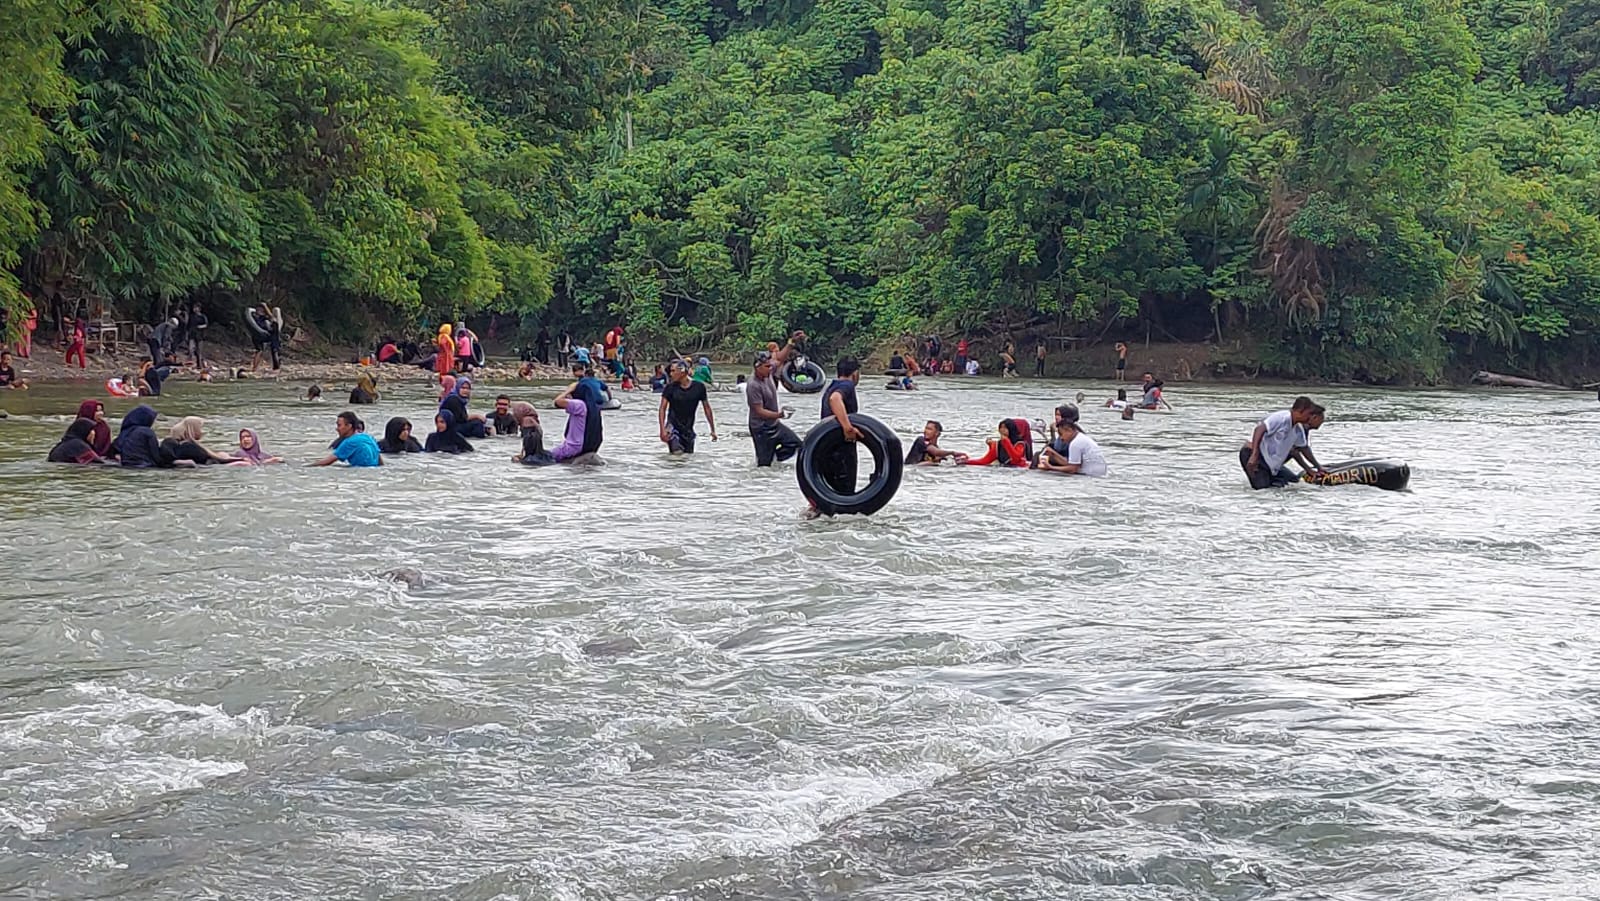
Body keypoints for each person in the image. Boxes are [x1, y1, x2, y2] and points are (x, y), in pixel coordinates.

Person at [1240, 396, 1326, 489]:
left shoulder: (1298, 429)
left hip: (1270, 463)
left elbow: (1304, 449)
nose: (1310, 417)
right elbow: (1259, 429)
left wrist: (1317, 467)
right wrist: (1254, 455)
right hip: (1255, 457)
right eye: (1309, 414)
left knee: (1294, 481)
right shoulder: (1282, 417)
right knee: (1263, 491)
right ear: (1300, 411)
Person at [746, 351, 802, 467]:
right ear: (757, 367)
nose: (770, 368)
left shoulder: (769, 373)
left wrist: (791, 343)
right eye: (766, 366)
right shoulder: (753, 385)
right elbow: (759, 411)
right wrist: (780, 415)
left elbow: (780, 359)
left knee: (796, 444)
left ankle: (774, 459)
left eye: (770, 366)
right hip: (761, 428)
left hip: (774, 424)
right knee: (764, 466)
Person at [658, 359, 718, 455]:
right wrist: (662, 430)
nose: (671, 374)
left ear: (682, 372)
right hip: (672, 428)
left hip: (688, 430)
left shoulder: (699, 387)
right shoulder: (670, 388)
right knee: (677, 455)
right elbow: (662, 409)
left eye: (673, 371)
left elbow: (707, 408)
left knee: (687, 458)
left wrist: (712, 430)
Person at [551, 382, 604, 463]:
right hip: (590, 447)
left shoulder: (579, 405)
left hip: (573, 447)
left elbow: (557, 402)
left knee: (543, 457)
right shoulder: (595, 407)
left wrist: (568, 391)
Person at [1037, 419, 1107, 476]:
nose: (1061, 438)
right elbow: (1071, 464)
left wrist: (1051, 468)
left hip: (1090, 475)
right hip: (1098, 473)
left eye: (1061, 434)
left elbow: (1073, 469)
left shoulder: (1075, 443)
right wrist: (1053, 454)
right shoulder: (1080, 438)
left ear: (1069, 430)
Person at [312, 412, 381, 467]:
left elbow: (326, 462)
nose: (337, 429)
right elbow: (380, 461)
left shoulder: (349, 442)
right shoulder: (369, 438)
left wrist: (305, 467)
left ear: (349, 426)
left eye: (339, 425)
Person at [162, 417, 240, 465]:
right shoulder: (189, 447)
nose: (201, 431)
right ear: (192, 429)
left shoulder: (169, 445)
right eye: (199, 428)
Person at [964, 419, 1031, 467]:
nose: (1002, 430)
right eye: (1001, 427)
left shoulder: (1020, 444)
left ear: (1011, 429)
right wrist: (966, 462)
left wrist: (1006, 442)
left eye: (1005, 428)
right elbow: (984, 461)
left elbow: (1016, 460)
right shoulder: (997, 445)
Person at [249, 305, 282, 371]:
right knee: (259, 351)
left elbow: (272, 318)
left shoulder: (263, 318)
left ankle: (276, 365)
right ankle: (254, 368)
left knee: (270, 349)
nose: (260, 311)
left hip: (267, 334)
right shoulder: (254, 317)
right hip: (260, 335)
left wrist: (265, 307)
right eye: (259, 310)